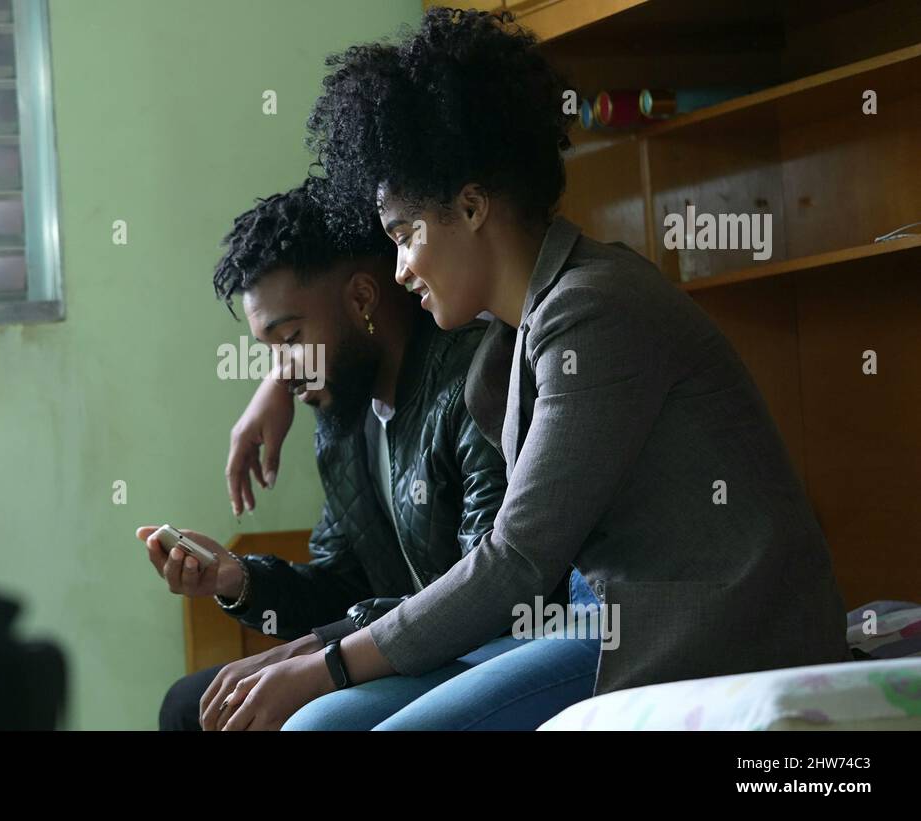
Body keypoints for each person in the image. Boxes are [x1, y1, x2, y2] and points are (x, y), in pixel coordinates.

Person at [211, 8, 849, 730]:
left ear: (473, 206)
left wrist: (323, 663)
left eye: (405, 236)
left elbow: (514, 558)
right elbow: (366, 345)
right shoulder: (518, 330)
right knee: (317, 724)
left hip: (689, 630)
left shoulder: (594, 310)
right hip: (582, 624)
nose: (398, 270)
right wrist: (281, 379)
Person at [142, 181, 597, 731]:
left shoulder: (472, 385)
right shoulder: (343, 417)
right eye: (270, 353)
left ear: (361, 300)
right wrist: (238, 580)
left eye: (289, 340)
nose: (282, 375)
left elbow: (484, 591)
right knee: (187, 706)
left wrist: (323, 653)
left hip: (486, 641)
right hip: (395, 644)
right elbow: (344, 584)